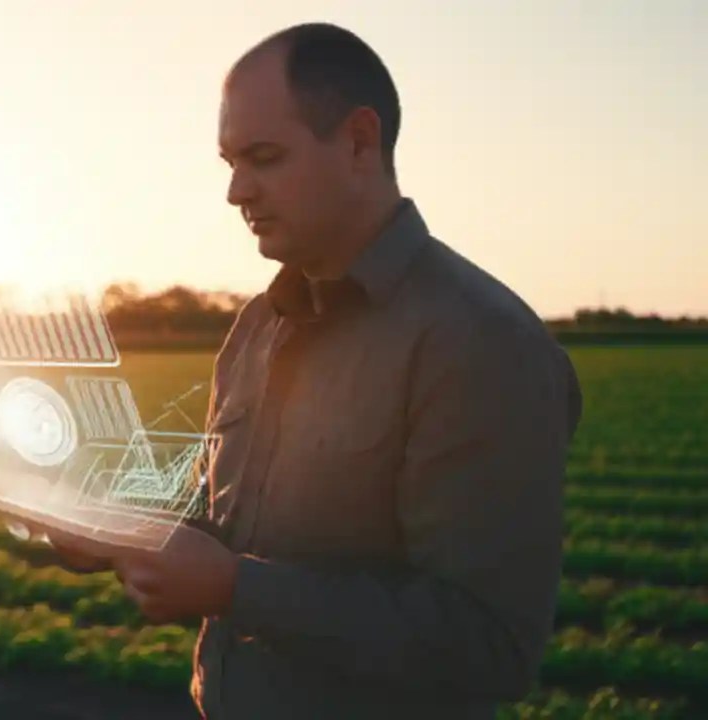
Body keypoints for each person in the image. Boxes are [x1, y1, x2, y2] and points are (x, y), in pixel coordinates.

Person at [44, 22, 584, 719]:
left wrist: (234, 590)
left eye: (264, 158)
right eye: (229, 162)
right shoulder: (256, 327)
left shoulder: (479, 341)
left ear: (360, 142)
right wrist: (126, 533)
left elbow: (486, 646)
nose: (236, 191)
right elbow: (241, 529)